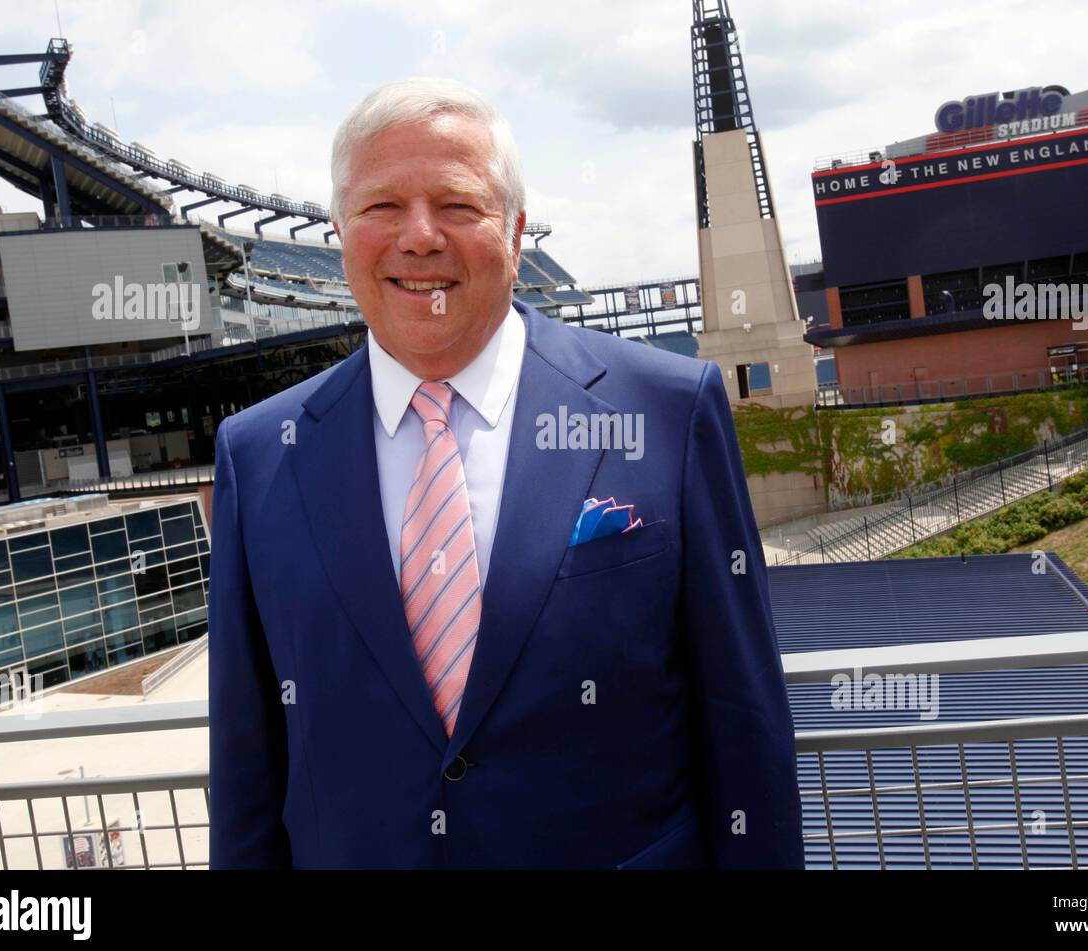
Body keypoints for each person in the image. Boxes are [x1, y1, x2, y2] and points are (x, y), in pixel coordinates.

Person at [209, 77, 802, 869]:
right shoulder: (258, 457)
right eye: (382, 207)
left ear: (517, 233)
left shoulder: (666, 410)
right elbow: (248, 770)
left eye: (458, 205)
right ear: (341, 232)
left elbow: (744, 720)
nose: (419, 238)